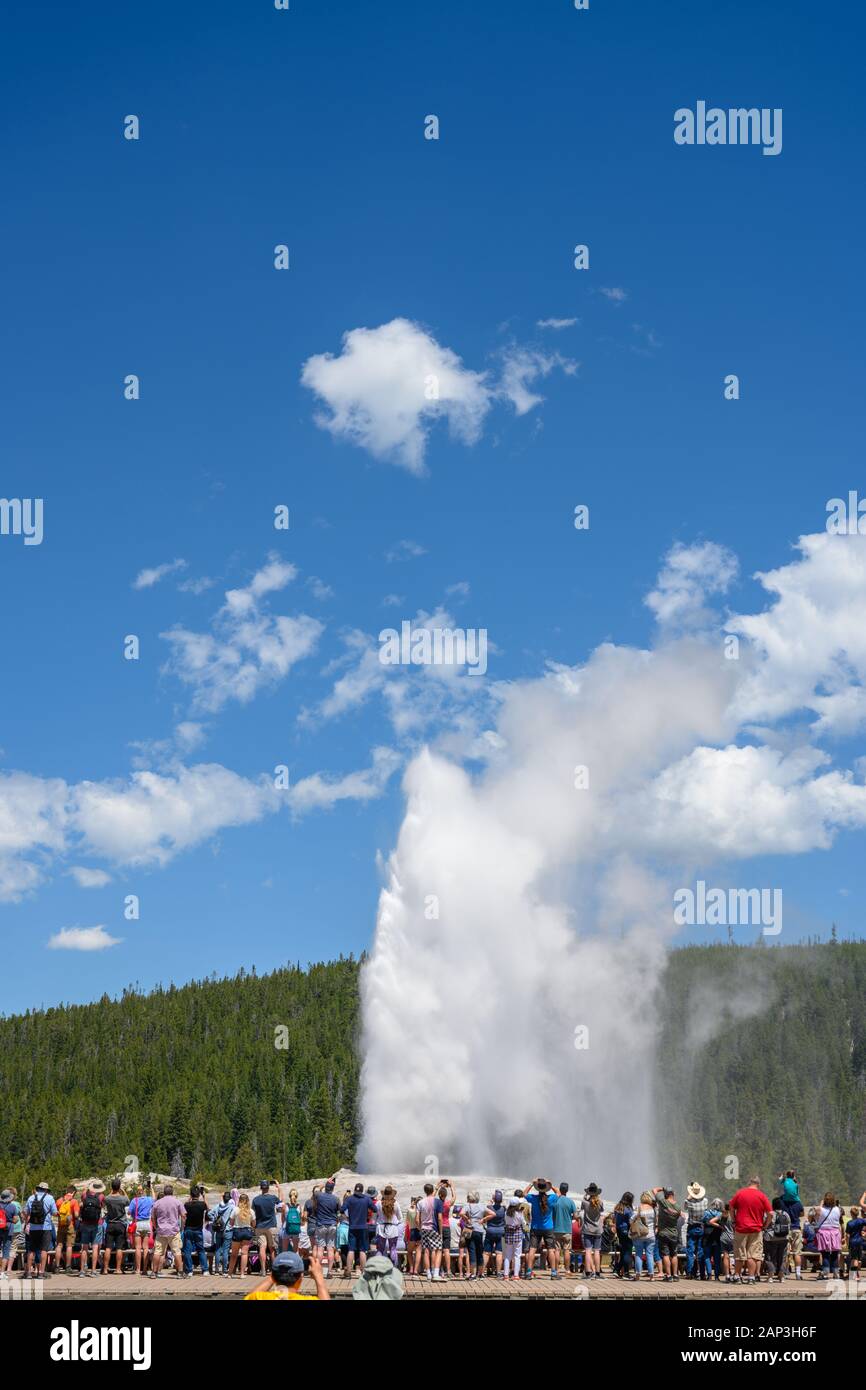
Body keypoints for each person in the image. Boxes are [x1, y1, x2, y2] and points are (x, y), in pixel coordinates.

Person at [730, 1177, 772, 1284]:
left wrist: (734, 1221)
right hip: (756, 1229)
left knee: (739, 1255)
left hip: (741, 1228)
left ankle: (737, 1276)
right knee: (752, 1256)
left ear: (749, 1183)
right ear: (759, 1184)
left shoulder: (740, 1193)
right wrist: (765, 1225)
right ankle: (751, 1278)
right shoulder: (762, 1196)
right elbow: (770, 1213)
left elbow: (731, 1207)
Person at [245, 1248, 330, 1301]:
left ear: (273, 1277)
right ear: (300, 1277)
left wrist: (274, 1274)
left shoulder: (260, 1297)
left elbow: (250, 1296)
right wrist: (319, 1276)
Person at [520, 1179, 558, 1279]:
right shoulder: (551, 1198)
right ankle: (553, 1273)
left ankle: (529, 1272)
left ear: (537, 1188)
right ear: (547, 1188)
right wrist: (551, 1184)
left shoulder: (533, 1198)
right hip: (548, 1228)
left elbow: (524, 1193)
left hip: (535, 1227)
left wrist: (531, 1184)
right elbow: (558, 1193)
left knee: (532, 1249)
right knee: (551, 1250)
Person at [149, 1183, 186, 1279]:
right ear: (172, 1192)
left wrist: (156, 1226)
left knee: (157, 1252)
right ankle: (180, 1272)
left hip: (161, 1230)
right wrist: (182, 1227)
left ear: (164, 1192)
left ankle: (154, 1272)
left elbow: (152, 1217)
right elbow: (183, 1215)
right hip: (174, 1230)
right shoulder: (177, 1202)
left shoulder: (157, 1203)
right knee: (177, 1252)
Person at [23, 1182, 58, 1280]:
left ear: (38, 1188)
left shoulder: (31, 1198)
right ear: (46, 1190)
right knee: (44, 1250)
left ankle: (29, 1272)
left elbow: (25, 1212)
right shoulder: (50, 1198)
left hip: (33, 1227)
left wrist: (27, 1221)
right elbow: (54, 1213)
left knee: (31, 1250)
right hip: (45, 1227)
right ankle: (41, 1273)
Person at [342, 1182, 376, 1276]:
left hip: (352, 1226)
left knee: (351, 1249)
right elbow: (375, 1209)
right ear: (362, 1191)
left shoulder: (349, 1199)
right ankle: (364, 1271)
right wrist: (367, 1212)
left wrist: (347, 1218)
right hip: (363, 1227)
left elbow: (341, 1210)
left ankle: (348, 1271)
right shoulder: (366, 1199)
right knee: (362, 1250)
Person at [252, 1180, 283, 1276]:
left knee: (262, 1247)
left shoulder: (256, 1200)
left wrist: (253, 1226)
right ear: (268, 1188)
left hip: (259, 1226)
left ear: (261, 1188)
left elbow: (253, 1214)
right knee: (272, 1248)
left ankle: (263, 1270)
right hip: (271, 1226)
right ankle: (274, 1270)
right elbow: (280, 1202)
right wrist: (279, 1187)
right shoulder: (273, 1198)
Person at [311, 1179, 340, 1278]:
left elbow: (315, 1191)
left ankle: (318, 1271)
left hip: (321, 1225)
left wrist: (323, 1184)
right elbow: (339, 1212)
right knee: (330, 1249)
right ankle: (330, 1272)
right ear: (333, 1188)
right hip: (332, 1225)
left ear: (326, 1188)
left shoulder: (319, 1196)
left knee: (320, 1248)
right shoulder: (336, 1199)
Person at [101, 1178, 130, 1275]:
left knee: (108, 1248)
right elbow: (128, 1201)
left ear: (112, 1187)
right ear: (119, 1187)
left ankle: (105, 1269)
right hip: (120, 1224)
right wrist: (123, 1190)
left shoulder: (108, 1198)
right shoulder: (123, 1198)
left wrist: (111, 1191)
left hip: (110, 1224)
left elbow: (105, 1201)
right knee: (119, 1248)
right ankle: (118, 1269)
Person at [652, 1186, 681, 1282]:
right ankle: (676, 1275)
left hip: (663, 1232)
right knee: (674, 1254)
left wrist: (662, 1188)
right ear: (673, 1194)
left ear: (665, 1194)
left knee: (665, 1254)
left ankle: (668, 1276)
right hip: (674, 1233)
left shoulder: (663, 1202)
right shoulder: (678, 1207)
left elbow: (654, 1190)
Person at [77, 1182, 105, 1277]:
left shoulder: (85, 1195)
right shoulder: (101, 1196)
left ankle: (82, 1271)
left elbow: (82, 1199)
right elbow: (103, 1206)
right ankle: (93, 1271)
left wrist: (86, 1188)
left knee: (84, 1247)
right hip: (97, 1224)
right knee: (95, 1247)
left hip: (85, 1223)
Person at [181, 1184, 209, 1277]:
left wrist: (190, 1197)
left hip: (188, 1229)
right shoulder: (202, 1204)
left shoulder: (187, 1205)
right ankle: (205, 1270)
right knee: (201, 1249)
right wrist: (204, 1196)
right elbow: (208, 1208)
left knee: (187, 1251)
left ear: (191, 1195)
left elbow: (184, 1209)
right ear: (199, 1195)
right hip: (198, 1229)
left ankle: (189, 1270)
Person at [814, 1193, 842, 1279]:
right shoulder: (838, 1209)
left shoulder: (821, 1209)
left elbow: (815, 1217)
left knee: (825, 1254)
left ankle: (825, 1273)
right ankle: (836, 1273)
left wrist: (821, 1204)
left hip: (823, 1232)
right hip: (835, 1232)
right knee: (835, 1254)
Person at [781, 1182, 805, 1281]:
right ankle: (798, 1274)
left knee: (785, 1252)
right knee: (797, 1252)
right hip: (796, 1227)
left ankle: (785, 1272)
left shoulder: (782, 1200)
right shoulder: (798, 1202)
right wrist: (795, 1216)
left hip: (786, 1228)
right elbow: (802, 1213)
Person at [683, 1181, 707, 1279]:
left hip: (692, 1228)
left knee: (690, 1251)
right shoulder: (705, 1201)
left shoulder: (689, 1203)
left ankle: (689, 1273)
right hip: (701, 1227)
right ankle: (702, 1273)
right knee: (700, 1251)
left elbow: (684, 1206)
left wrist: (689, 1196)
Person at [128, 1186, 154, 1275]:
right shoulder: (149, 1199)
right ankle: (145, 1269)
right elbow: (154, 1198)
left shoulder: (134, 1200)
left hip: (138, 1223)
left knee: (138, 1248)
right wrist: (152, 1189)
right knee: (146, 1248)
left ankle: (138, 1269)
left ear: (137, 1192)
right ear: (144, 1192)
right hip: (147, 1223)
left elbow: (129, 1212)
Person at [763, 1198, 791, 1281]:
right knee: (782, 1256)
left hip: (771, 1238)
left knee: (769, 1257)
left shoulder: (770, 1214)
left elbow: (765, 1223)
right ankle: (781, 1276)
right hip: (783, 1238)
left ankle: (770, 1276)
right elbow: (788, 1224)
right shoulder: (785, 1214)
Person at [630, 1192, 656, 1280]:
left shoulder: (639, 1208)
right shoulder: (653, 1209)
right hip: (651, 1234)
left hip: (639, 1234)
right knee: (650, 1254)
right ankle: (651, 1275)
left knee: (638, 1254)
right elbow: (656, 1221)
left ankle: (638, 1275)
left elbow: (631, 1219)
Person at [228, 1193, 255, 1277]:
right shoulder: (251, 1211)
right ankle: (242, 1274)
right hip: (247, 1231)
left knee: (234, 1254)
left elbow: (231, 1223)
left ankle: (230, 1273)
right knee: (244, 1253)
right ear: (248, 1201)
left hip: (237, 1231)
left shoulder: (235, 1210)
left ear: (239, 1200)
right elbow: (254, 1224)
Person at [552, 1182, 576, 1276]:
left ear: (560, 1189)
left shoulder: (555, 1201)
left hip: (556, 1228)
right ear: (567, 1190)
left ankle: (556, 1269)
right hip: (567, 1229)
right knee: (566, 1250)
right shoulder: (570, 1202)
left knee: (557, 1250)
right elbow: (575, 1215)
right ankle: (567, 1270)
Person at [580, 1184, 603, 1279]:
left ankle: (588, 1272)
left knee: (588, 1251)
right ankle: (597, 1273)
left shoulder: (585, 1202)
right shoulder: (600, 1202)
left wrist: (586, 1195)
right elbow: (601, 1210)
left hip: (587, 1229)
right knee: (597, 1251)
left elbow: (582, 1207)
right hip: (598, 1229)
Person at [375, 1186, 402, 1266]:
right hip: (393, 1228)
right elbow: (400, 1218)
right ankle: (394, 1268)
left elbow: (374, 1217)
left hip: (381, 1228)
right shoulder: (396, 1204)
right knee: (393, 1249)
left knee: (380, 1249)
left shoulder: (378, 1203)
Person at [482, 1190, 506, 1279]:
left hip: (490, 1231)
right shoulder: (504, 1208)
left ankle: (483, 1272)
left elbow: (485, 1215)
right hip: (501, 1232)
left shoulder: (489, 1207)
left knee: (486, 1253)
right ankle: (499, 1273)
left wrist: (491, 1203)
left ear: (493, 1198)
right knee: (499, 1253)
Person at [210, 1190, 235, 1276]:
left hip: (218, 1229)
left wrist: (215, 1219)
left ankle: (216, 1270)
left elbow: (209, 1214)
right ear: (229, 1199)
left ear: (223, 1198)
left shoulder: (217, 1206)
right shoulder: (232, 1207)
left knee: (218, 1250)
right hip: (227, 1230)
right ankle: (224, 1270)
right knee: (225, 1251)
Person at [463, 1190, 487, 1279]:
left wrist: (467, 1219)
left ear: (469, 1198)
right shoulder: (482, 1206)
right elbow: (493, 1214)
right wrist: (484, 1219)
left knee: (472, 1252)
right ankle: (480, 1274)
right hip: (479, 1231)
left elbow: (461, 1213)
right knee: (479, 1252)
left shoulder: (467, 1206)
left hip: (470, 1230)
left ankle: (472, 1274)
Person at [55, 1186, 80, 1272]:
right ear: (73, 1192)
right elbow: (76, 1215)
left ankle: (57, 1267)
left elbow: (55, 1213)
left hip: (60, 1225)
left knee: (59, 1246)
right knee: (69, 1246)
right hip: (70, 1225)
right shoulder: (74, 1201)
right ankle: (68, 1267)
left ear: (66, 1191)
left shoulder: (59, 1201)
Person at [701, 1197, 724, 1280]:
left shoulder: (706, 1213)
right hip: (717, 1236)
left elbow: (702, 1220)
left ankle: (710, 1274)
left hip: (707, 1235)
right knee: (717, 1257)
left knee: (707, 1256)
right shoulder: (721, 1214)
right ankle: (717, 1276)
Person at [0, 1188, 20, 1282]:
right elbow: (16, 1220)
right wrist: (10, 1220)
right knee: (6, 1250)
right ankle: (2, 1273)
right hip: (8, 1229)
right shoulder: (12, 1206)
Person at [613, 1192, 634, 1279]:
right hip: (626, 1231)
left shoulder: (618, 1207)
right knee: (627, 1252)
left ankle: (617, 1270)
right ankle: (626, 1273)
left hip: (619, 1231)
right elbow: (631, 1220)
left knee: (623, 1251)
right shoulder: (628, 1209)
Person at [504, 1197, 523, 1280]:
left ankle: (506, 1275)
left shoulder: (506, 1213)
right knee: (517, 1255)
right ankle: (516, 1275)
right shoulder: (519, 1213)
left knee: (507, 1256)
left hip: (508, 1234)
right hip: (517, 1234)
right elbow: (523, 1222)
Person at [846, 1205, 864, 1279]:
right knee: (859, 1260)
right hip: (860, 1241)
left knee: (854, 1259)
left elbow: (847, 1235)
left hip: (853, 1242)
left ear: (851, 1213)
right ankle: (852, 1274)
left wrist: (847, 1244)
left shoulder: (849, 1223)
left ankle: (856, 1275)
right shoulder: (861, 1221)